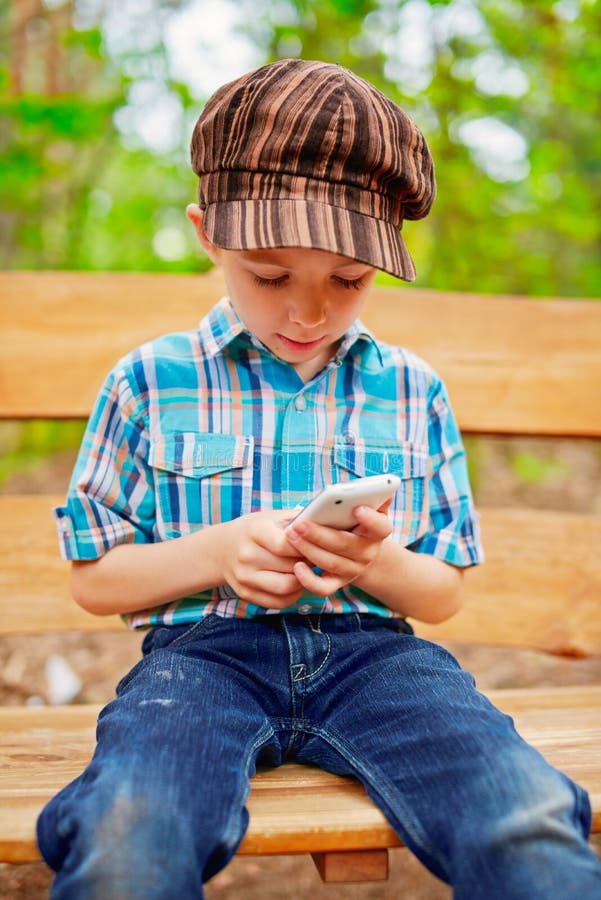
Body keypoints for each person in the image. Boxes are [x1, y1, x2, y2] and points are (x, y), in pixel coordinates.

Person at [37, 58, 600, 899]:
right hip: (199, 662)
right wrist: (218, 552)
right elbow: (95, 580)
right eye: (269, 276)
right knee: (130, 832)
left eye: (347, 280)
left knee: (518, 816)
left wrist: (371, 562)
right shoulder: (149, 381)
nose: (308, 312)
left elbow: (440, 594)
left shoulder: (410, 389)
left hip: (378, 660)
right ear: (207, 233)